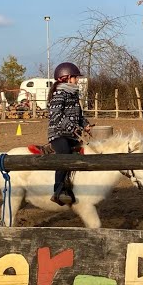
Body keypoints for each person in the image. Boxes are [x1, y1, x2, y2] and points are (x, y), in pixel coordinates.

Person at [47, 61, 93, 206]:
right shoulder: (60, 93)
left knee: (82, 152)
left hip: (71, 134)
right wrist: (71, 127)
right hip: (58, 134)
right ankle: (58, 191)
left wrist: (85, 125)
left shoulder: (73, 94)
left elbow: (79, 115)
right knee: (65, 154)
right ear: (66, 78)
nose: (77, 80)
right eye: (75, 77)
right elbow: (55, 114)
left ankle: (73, 186)